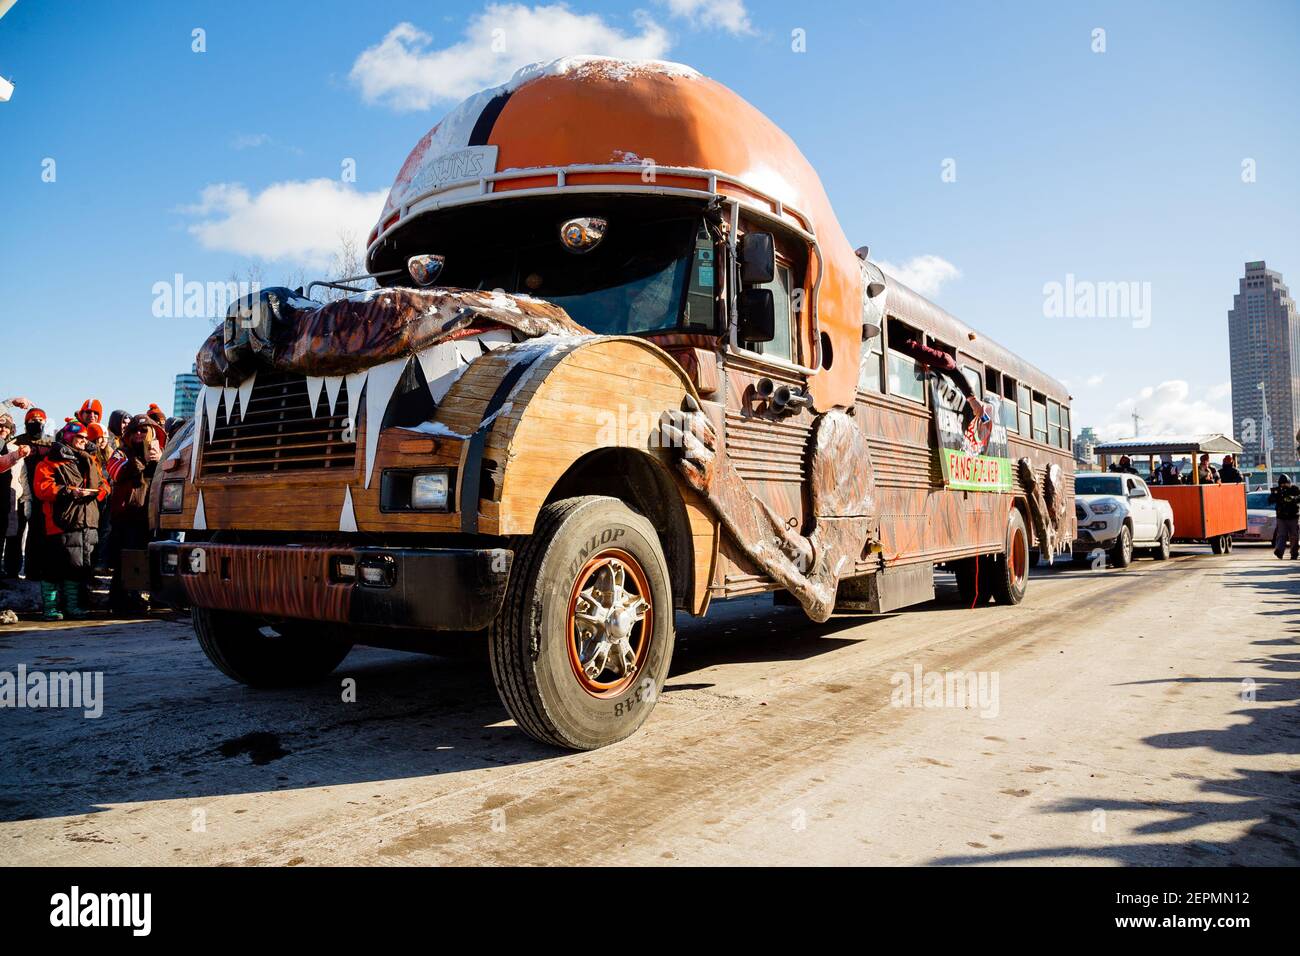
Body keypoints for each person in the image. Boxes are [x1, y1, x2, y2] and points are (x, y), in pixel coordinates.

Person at [32, 421, 108, 620]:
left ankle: (72, 607)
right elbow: (42, 488)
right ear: (67, 438)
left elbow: (104, 485)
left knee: (77, 568)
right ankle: (50, 608)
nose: (83, 441)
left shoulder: (90, 460)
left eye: (85, 438)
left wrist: (99, 493)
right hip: (60, 523)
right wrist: (68, 491)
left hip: (87, 521)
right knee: (53, 568)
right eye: (79, 437)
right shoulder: (49, 462)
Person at [105, 414, 165, 614]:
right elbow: (115, 471)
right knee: (124, 560)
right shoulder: (121, 452)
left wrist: (159, 461)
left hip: (148, 516)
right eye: (136, 431)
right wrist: (142, 461)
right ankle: (119, 602)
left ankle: (135, 597)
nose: (139, 434)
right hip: (126, 515)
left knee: (142, 558)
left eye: (144, 430)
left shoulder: (160, 453)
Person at [14, 408, 54, 596]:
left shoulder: (50, 442)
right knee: (17, 531)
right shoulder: (18, 441)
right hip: (21, 490)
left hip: (42, 492)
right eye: (33, 419)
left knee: (40, 532)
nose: (37, 422)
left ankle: (37, 568)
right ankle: (14, 569)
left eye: (40, 419)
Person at [0, 414, 32, 582]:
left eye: (7, 427)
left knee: (13, 537)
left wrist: (27, 500)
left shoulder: (15, 448)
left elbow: (23, 477)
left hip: (13, 499)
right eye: (1, 426)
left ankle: (12, 571)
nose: (3, 429)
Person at [1268, 474, 1300, 560]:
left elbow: (1299, 497)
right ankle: (1279, 551)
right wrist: (1275, 495)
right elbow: (1270, 500)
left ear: (1289, 483)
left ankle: (1294, 553)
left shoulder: (1294, 489)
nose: (1284, 485)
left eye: (1286, 483)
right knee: (1281, 535)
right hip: (1281, 516)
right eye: (1282, 484)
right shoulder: (1277, 490)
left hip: (1293, 516)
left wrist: (1293, 498)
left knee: (1294, 536)